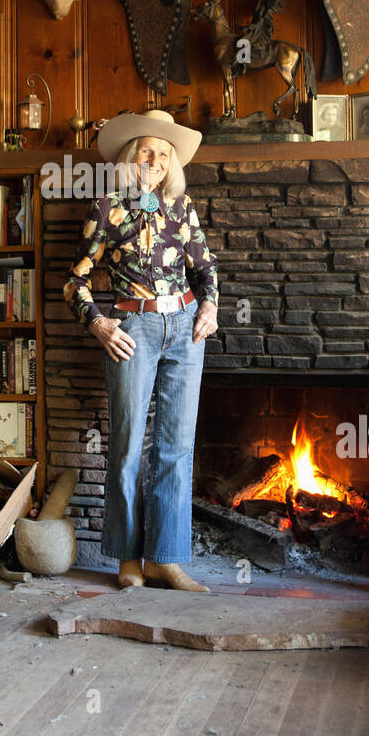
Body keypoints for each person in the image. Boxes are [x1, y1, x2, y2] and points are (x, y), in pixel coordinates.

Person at [64, 109, 219, 593]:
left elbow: (205, 268)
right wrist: (100, 324)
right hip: (134, 328)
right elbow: (74, 282)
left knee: (176, 448)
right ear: (132, 156)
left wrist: (211, 306)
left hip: (186, 329)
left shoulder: (182, 207)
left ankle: (165, 561)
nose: (154, 159)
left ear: (172, 161)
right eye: (147, 150)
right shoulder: (108, 207)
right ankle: (127, 559)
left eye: (163, 153)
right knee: (129, 446)